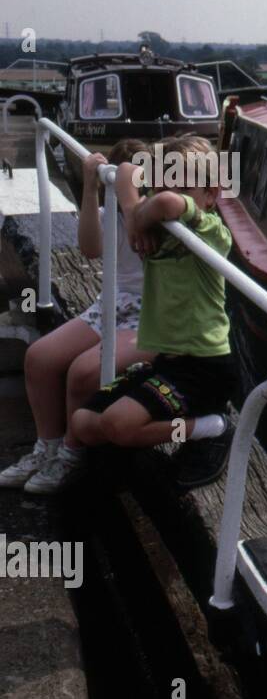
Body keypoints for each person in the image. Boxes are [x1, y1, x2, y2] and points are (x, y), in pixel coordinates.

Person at [71, 135, 237, 490]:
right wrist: (138, 215)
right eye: (166, 176)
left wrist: (133, 216)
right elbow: (129, 169)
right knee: (83, 422)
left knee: (118, 424)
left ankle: (214, 427)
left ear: (211, 195)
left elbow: (164, 203)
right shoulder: (156, 233)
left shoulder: (211, 232)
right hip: (167, 362)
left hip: (204, 368)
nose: (172, 186)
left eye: (186, 182)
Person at [0, 139, 152, 495]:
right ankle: (47, 448)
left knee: (84, 371)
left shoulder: (156, 217)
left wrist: (135, 205)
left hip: (150, 312)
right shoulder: (111, 212)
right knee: (39, 357)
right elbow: (89, 248)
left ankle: (71, 454)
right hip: (113, 303)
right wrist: (91, 187)